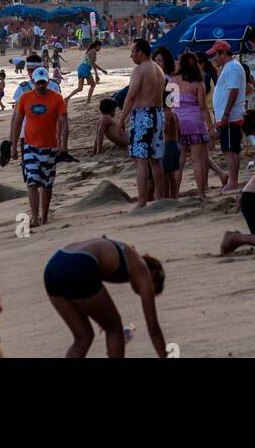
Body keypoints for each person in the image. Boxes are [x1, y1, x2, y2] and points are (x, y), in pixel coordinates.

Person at [43, 237, 167, 358]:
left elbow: (84, 291)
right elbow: (153, 329)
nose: (145, 292)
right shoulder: (142, 270)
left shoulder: (128, 255)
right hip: (79, 264)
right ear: (154, 274)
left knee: (83, 337)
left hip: (54, 266)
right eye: (151, 289)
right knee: (114, 328)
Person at [11, 67, 69, 227]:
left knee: (47, 184)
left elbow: (64, 122)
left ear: (47, 81)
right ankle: (35, 217)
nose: (41, 86)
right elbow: (17, 122)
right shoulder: (25, 98)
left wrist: (64, 145)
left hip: (51, 147)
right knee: (32, 181)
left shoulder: (57, 99)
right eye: (38, 83)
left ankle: (44, 216)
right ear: (34, 82)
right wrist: (13, 146)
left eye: (43, 83)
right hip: (30, 146)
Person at [119, 39, 166, 207]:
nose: (131, 56)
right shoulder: (158, 69)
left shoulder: (140, 69)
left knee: (141, 159)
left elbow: (131, 96)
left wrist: (121, 118)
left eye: (133, 52)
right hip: (158, 114)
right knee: (155, 158)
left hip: (143, 115)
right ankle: (160, 197)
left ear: (140, 52)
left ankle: (142, 200)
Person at [208, 41, 247, 191]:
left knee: (230, 150)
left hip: (231, 116)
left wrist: (225, 113)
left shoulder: (232, 68)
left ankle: (233, 182)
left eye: (216, 55)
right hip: (229, 115)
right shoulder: (230, 68)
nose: (214, 58)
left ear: (223, 53)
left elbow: (233, 91)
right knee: (230, 149)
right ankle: (233, 180)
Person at [174, 51, 212, 197]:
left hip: (178, 123)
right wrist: (210, 127)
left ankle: (175, 194)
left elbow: (169, 105)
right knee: (197, 160)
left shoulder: (173, 81)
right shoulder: (199, 83)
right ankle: (202, 193)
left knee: (180, 161)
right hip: (195, 123)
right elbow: (202, 107)